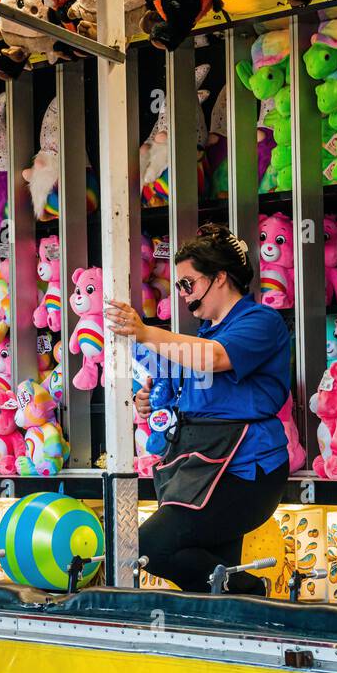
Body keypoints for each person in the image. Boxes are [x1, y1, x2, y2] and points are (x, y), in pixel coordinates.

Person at [106, 222, 292, 595]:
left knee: (147, 547)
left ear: (220, 278)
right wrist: (152, 402)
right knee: (211, 579)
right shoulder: (201, 335)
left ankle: (249, 592)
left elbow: (216, 359)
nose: (183, 294)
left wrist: (145, 333)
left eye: (188, 283)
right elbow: (178, 392)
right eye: (179, 286)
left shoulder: (261, 321)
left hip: (246, 469)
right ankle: (240, 612)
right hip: (200, 462)